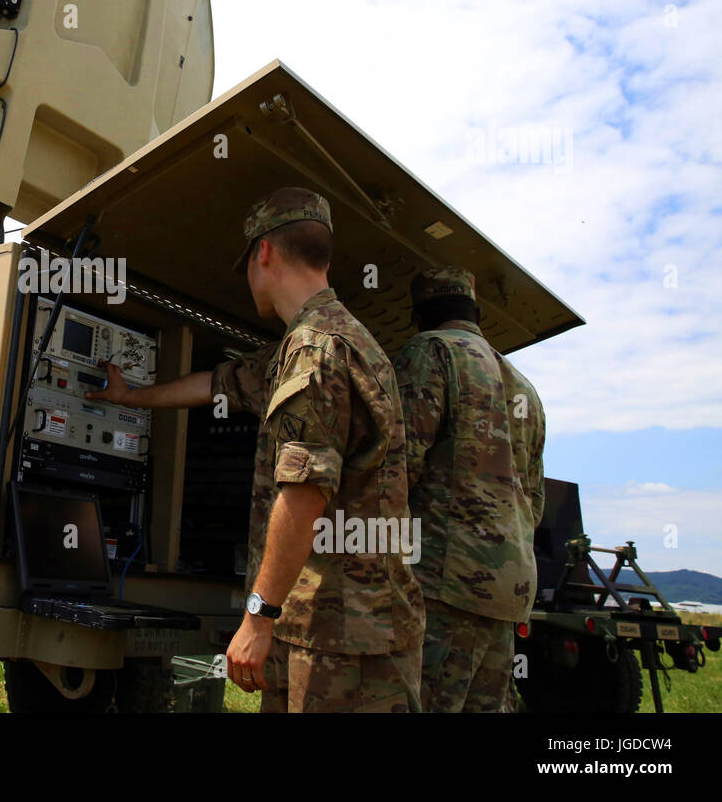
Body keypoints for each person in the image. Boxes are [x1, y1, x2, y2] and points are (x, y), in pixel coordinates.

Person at [88, 188, 423, 711]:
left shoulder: (316, 350)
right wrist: (130, 396)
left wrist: (256, 616)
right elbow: (217, 384)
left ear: (262, 253)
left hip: (340, 634)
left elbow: (305, 494)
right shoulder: (320, 341)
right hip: (348, 625)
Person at [392, 267, 546, 712]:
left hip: (443, 586)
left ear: (421, 313)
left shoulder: (430, 352)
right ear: (474, 310)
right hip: (508, 589)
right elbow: (534, 502)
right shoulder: (525, 388)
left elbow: (397, 469)